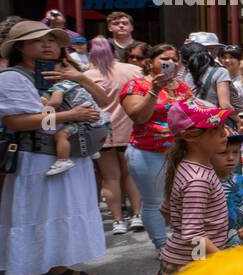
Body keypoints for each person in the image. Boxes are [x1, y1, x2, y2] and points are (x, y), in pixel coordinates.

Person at [0, 21, 107, 275]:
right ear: (20, 46)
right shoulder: (12, 77)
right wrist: (69, 116)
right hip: (37, 157)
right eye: (39, 40)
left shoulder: (64, 73)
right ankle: (35, 272)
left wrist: (79, 78)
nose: (47, 45)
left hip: (71, 154)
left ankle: (59, 266)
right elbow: (17, 122)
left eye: (52, 39)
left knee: (66, 211)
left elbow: (104, 102)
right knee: (38, 212)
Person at [121, 43, 193, 248]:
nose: (170, 62)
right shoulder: (136, 85)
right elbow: (138, 116)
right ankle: (162, 246)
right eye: (164, 58)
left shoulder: (182, 87)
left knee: (181, 201)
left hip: (180, 152)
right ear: (150, 62)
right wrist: (155, 90)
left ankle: (181, 243)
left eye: (174, 59)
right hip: (147, 152)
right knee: (154, 202)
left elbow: (192, 115)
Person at [156, 99, 233, 275]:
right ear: (191, 136)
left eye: (223, 126)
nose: (225, 133)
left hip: (186, 262)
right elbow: (194, 236)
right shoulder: (197, 179)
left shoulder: (190, 166)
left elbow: (167, 210)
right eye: (215, 128)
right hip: (189, 268)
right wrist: (218, 260)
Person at [85, 36, 144, 233]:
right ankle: (136, 216)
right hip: (130, 129)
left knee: (110, 178)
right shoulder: (133, 70)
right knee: (131, 175)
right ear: (115, 51)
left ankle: (118, 221)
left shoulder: (88, 75)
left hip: (102, 131)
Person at [39, 52, 110, 178]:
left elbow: (55, 102)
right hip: (100, 123)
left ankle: (63, 160)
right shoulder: (75, 84)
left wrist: (44, 110)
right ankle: (92, 150)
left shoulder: (59, 86)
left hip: (83, 124)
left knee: (60, 135)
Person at [212, 130, 243, 247]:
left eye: (235, 152)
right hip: (213, 248)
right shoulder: (205, 183)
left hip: (240, 245)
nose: (231, 157)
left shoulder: (242, 180)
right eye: (223, 153)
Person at [186, 40, 233, 109]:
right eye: (209, 48)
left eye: (215, 49)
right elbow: (225, 106)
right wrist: (238, 120)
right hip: (213, 118)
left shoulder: (186, 75)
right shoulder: (221, 72)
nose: (213, 52)